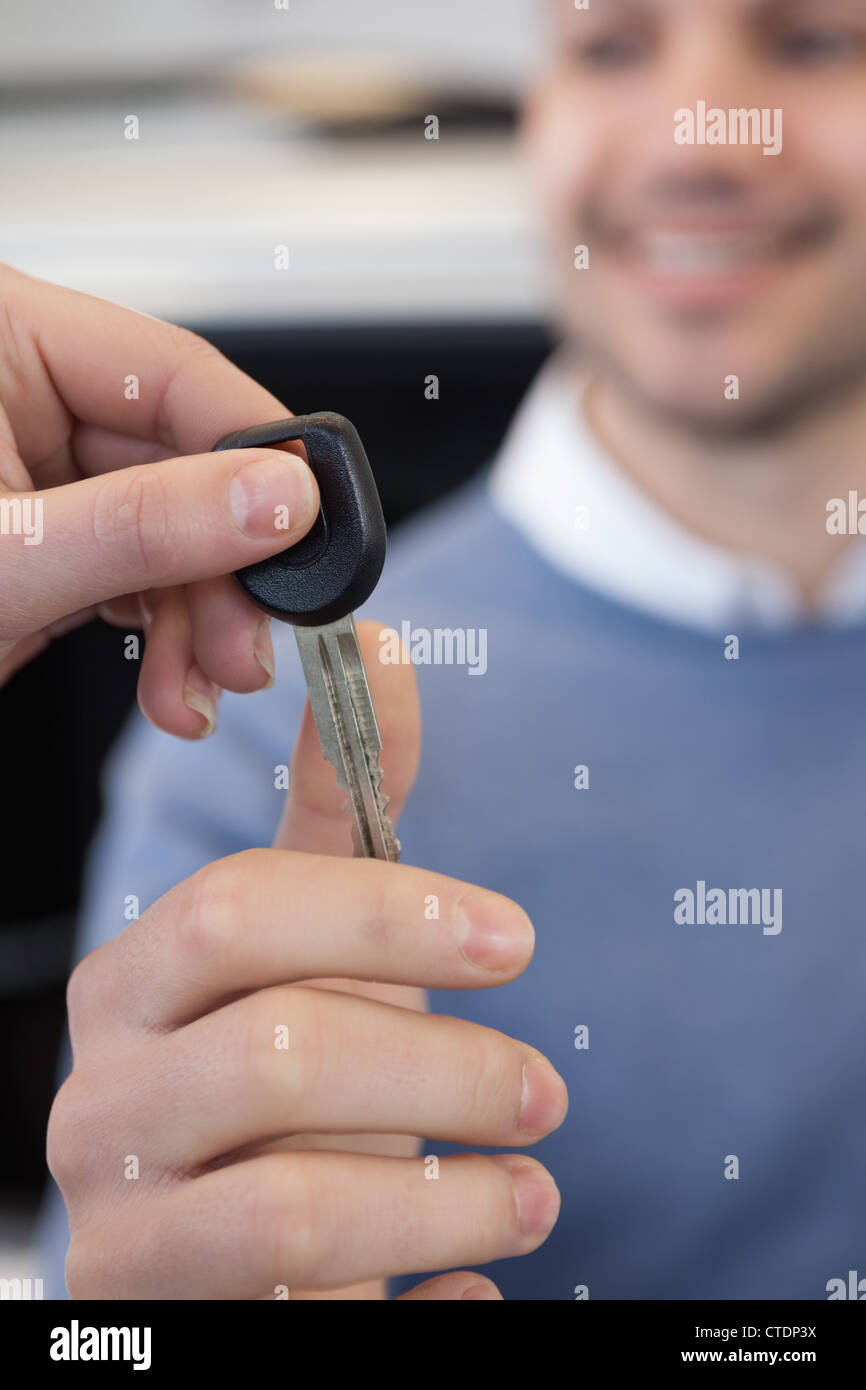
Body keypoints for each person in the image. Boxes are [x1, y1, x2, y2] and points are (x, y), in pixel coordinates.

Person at [41, 0, 866, 1299]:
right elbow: (127, 1252)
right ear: (540, 114)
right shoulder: (258, 710)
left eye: (814, 41)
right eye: (611, 45)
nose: (692, 137)